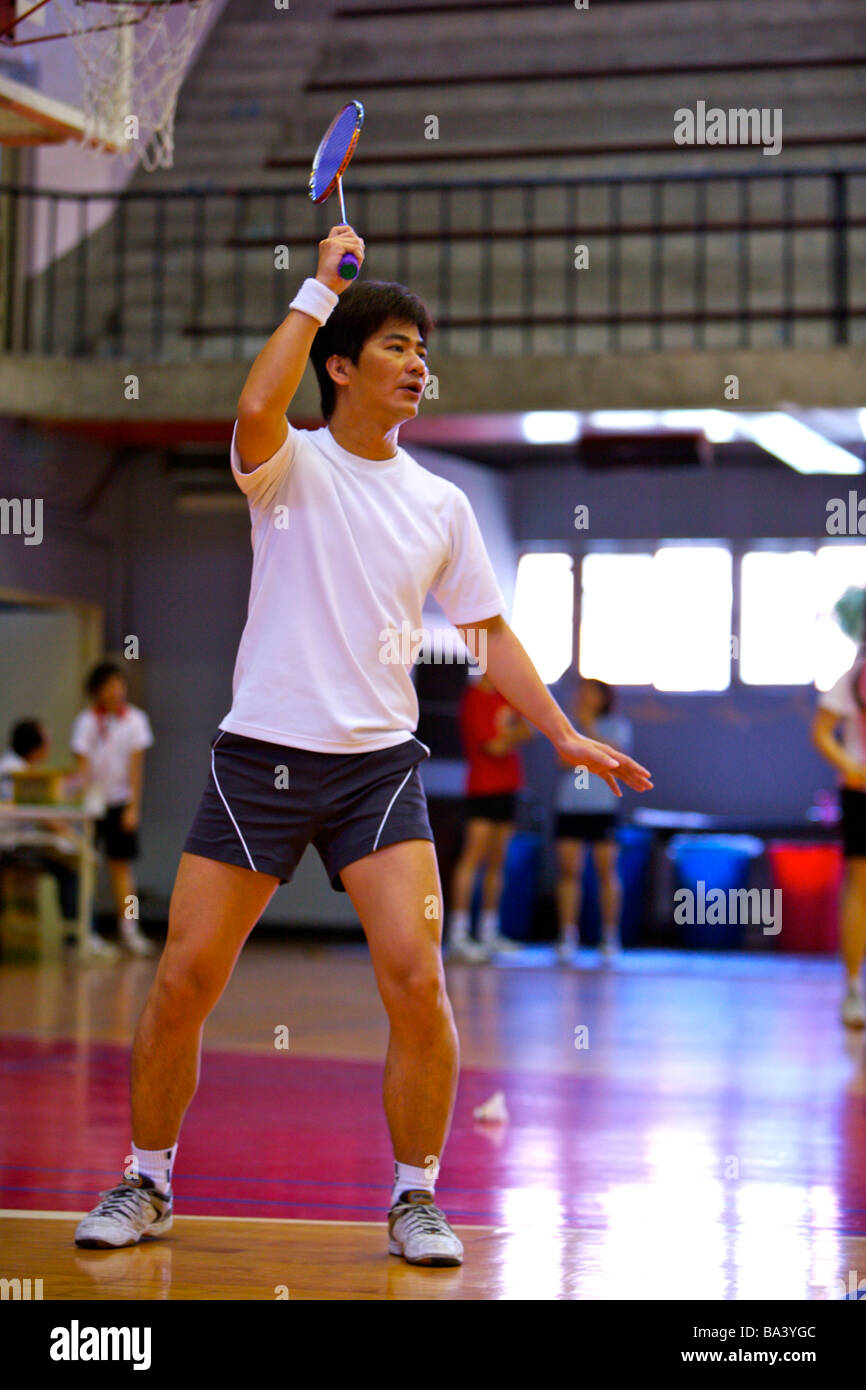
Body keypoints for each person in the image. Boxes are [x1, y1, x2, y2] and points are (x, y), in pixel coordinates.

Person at [73, 224, 652, 1265]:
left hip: (379, 770)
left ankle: (415, 1196)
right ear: (338, 365)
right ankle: (147, 1177)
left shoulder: (441, 502)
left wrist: (562, 728)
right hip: (262, 754)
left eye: (423, 350)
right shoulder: (288, 467)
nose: (418, 363)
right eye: (394, 346)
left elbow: (486, 633)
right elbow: (255, 407)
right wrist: (314, 287)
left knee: (416, 978)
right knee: (183, 980)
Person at [447, 669, 533, 961]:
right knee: (473, 857)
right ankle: (458, 933)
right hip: (482, 788)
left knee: (498, 862)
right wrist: (511, 735)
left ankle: (488, 930)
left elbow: (529, 730)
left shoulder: (506, 697)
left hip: (509, 788)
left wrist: (507, 735)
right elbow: (493, 746)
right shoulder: (474, 698)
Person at [70, 663, 155, 959]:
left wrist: (133, 806)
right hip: (92, 805)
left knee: (122, 869)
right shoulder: (85, 722)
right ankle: (87, 930)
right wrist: (77, 799)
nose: (116, 690)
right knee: (86, 867)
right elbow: (81, 766)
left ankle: (129, 930)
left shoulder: (135, 720)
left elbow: (136, 768)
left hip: (120, 802)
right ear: (96, 690)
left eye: (119, 684)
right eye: (109, 684)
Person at [811, 617, 866, 1028]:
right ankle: (852, 989)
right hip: (860, 792)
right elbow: (823, 731)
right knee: (860, 885)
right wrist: (852, 765)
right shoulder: (856, 674)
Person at [554, 678, 633, 962]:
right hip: (570, 806)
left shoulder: (617, 726)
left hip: (602, 807)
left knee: (606, 871)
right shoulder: (567, 727)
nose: (583, 696)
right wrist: (584, 747)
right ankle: (567, 935)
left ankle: (610, 935)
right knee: (568, 871)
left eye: (589, 692)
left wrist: (586, 734)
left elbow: (610, 757)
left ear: (602, 698)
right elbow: (565, 760)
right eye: (581, 691)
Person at [0, 718, 81, 935]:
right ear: (35, 746)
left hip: (16, 841)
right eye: (47, 741)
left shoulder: (10, 766)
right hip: (11, 845)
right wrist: (71, 835)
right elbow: (45, 817)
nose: (50, 746)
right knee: (71, 863)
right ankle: (75, 934)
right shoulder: (20, 774)